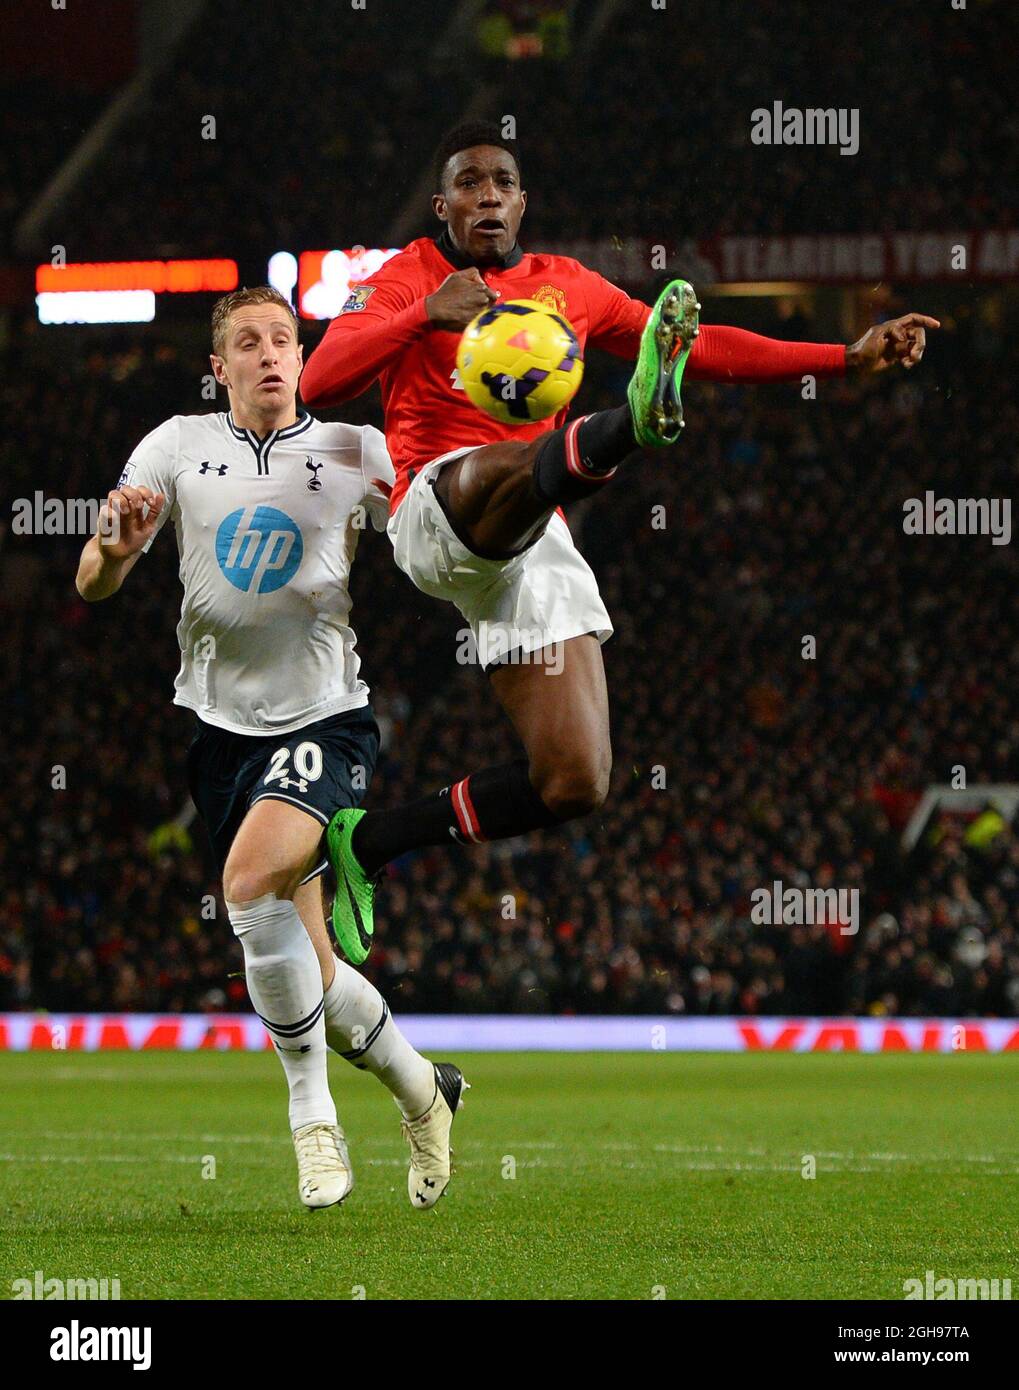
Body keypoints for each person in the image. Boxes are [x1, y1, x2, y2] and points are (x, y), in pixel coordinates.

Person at [301, 121, 939, 966]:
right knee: (515, 462)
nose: (486, 194)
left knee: (574, 782)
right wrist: (423, 315)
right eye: (469, 182)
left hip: (536, 542)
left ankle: (370, 843)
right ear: (442, 203)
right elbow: (319, 379)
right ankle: (628, 427)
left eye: (502, 180)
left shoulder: (563, 285)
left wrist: (841, 355)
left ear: (522, 199)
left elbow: (700, 344)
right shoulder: (401, 277)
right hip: (435, 502)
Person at [75, 286, 466, 1212]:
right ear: (219, 369)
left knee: (247, 888)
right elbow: (92, 582)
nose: (267, 353)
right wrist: (117, 551)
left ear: (302, 355)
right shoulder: (176, 445)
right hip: (217, 736)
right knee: (314, 972)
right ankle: (425, 1090)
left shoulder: (351, 451)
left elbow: (438, 537)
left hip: (324, 722)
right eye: (245, 343)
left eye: (282, 339)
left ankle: (311, 1121)